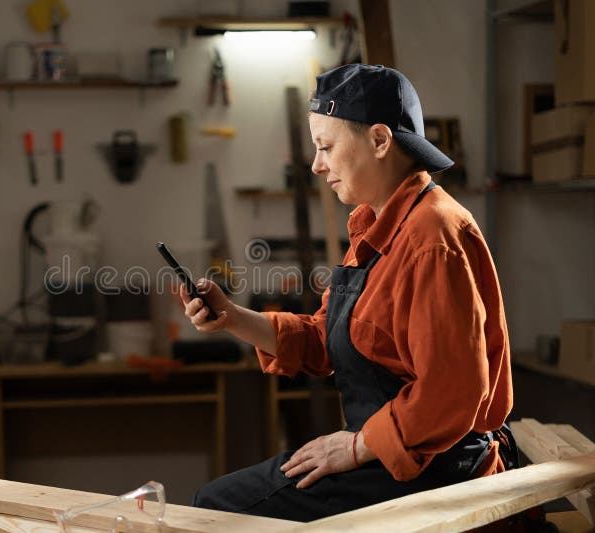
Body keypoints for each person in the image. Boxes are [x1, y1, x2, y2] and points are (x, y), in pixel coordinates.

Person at [180, 64, 515, 522]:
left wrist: (357, 446)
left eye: (326, 146)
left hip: (430, 464)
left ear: (380, 141)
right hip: (387, 453)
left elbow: (452, 392)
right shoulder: (374, 227)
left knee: (214, 511)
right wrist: (232, 317)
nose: (317, 164)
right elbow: (324, 341)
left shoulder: (431, 236)